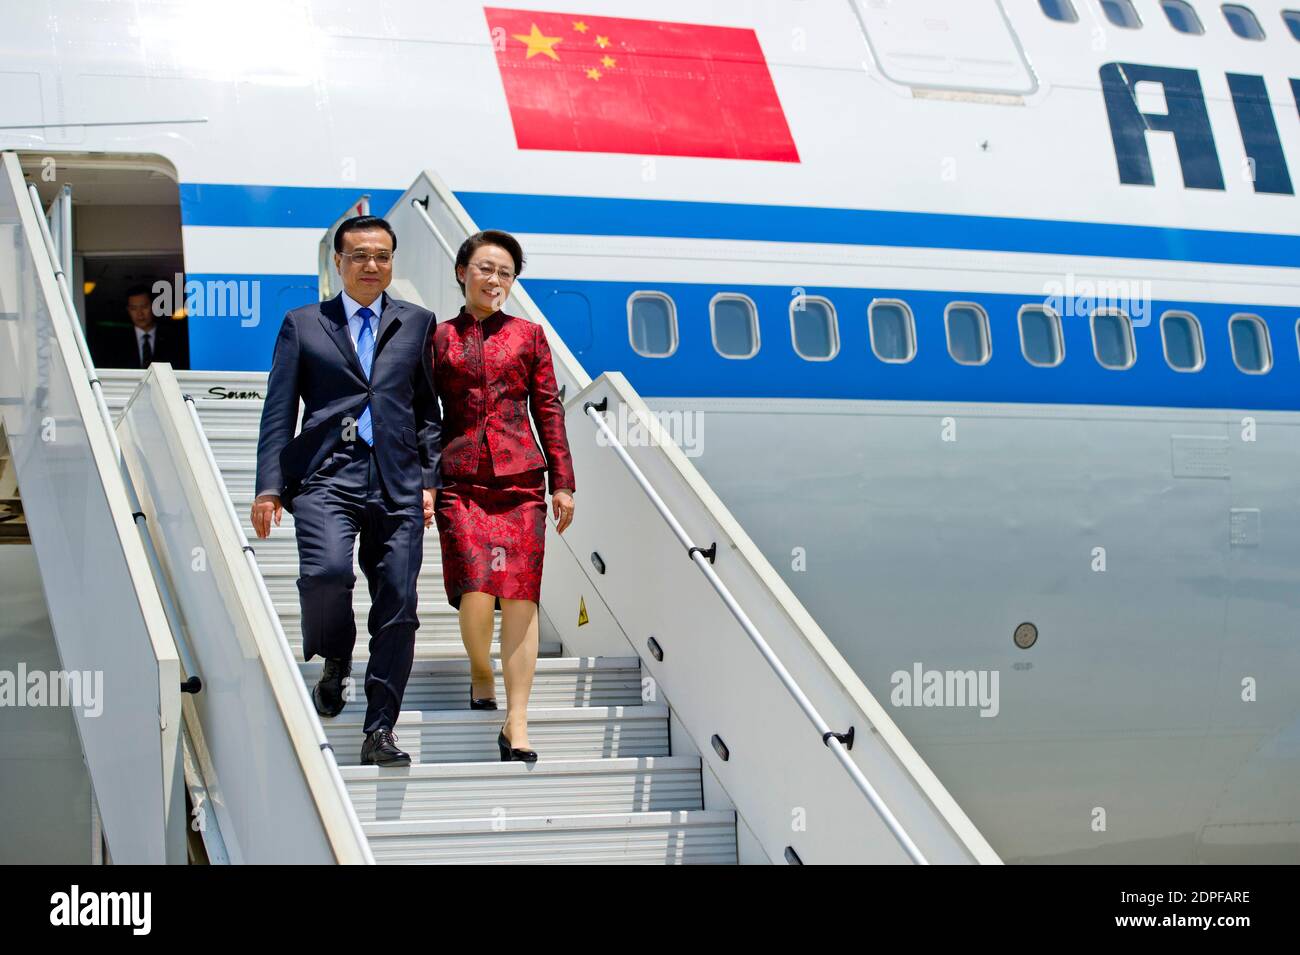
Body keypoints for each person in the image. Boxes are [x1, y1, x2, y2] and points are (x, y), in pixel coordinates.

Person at [251, 215, 442, 767]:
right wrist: (269, 487)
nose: (371, 265)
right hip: (326, 475)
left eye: (381, 256)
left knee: (399, 607)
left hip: (398, 481)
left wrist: (430, 479)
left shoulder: (418, 322)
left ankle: (379, 729)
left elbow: (427, 412)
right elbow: (279, 410)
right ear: (338, 262)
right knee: (326, 575)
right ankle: (336, 655)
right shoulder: (304, 323)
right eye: (359, 255)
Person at [431, 230, 575, 762]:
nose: (495, 280)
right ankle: (479, 666)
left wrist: (563, 482)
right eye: (485, 268)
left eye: (506, 273)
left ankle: (517, 720)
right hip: (460, 479)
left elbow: (549, 411)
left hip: (520, 482)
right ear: (462, 271)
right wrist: (424, 480)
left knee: (519, 597)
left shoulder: (530, 336)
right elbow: (424, 415)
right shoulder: (438, 337)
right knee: (474, 589)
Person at [105, 284, 188, 369]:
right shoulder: (117, 342)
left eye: (144, 307)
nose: (140, 313)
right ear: (128, 310)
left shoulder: (173, 338)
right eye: (134, 308)